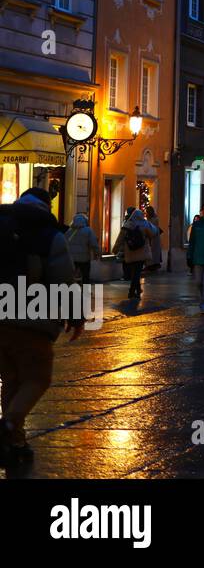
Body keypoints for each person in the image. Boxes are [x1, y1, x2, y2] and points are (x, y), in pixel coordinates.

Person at [0, 188, 85, 468]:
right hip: (31, 318)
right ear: (46, 207)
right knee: (37, 377)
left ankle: (16, 442)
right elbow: (63, 280)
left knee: (12, 378)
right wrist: (75, 315)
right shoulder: (50, 235)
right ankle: (9, 425)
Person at [116, 209, 158, 300]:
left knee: (135, 272)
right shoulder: (145, 224)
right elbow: (154, 233)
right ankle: (131, 292)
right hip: (142, 252)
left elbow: (120, 238)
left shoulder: (127, 225)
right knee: (137, 272)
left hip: (130, 252)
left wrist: (115, 249)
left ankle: (138, 290)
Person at [65, 213, 98, 285]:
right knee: (85, 276)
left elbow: (65, 243)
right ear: (85, 221)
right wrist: (96, 253)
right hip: (84, 258)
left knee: (71, 276)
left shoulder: (69, 231)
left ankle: (71, 292)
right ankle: (86, 293)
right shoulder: (88, 230)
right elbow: (94, 243)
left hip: (71, 258)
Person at [145, 205, 164, 272]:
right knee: (152, 252)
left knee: (153, 252)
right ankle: (151, 265)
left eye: (146, 212)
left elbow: (151, 227)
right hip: (151, 237)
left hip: (153, 237)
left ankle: (153, 265)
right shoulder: (150, 219)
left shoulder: (154, 219)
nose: (145, 213)